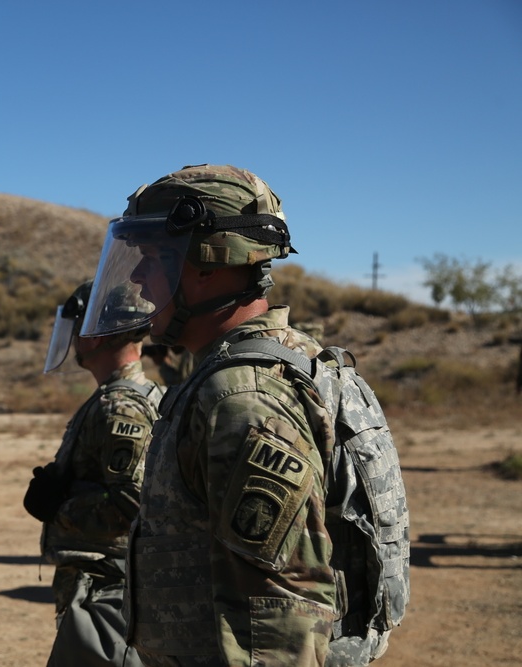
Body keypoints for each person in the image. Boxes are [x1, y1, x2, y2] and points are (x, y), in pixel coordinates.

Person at [80, 164, 335, 666]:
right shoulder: (257, 367)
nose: (136, 278)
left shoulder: (240, 399)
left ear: (204, 263)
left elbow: (278, 621)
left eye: (151, 258)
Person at [24, 280, 162, 667]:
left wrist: (61, 507)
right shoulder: (119, 397)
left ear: (100, 334)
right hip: (104, 579)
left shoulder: (121, 407)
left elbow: (133, 504)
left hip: (106, 582)